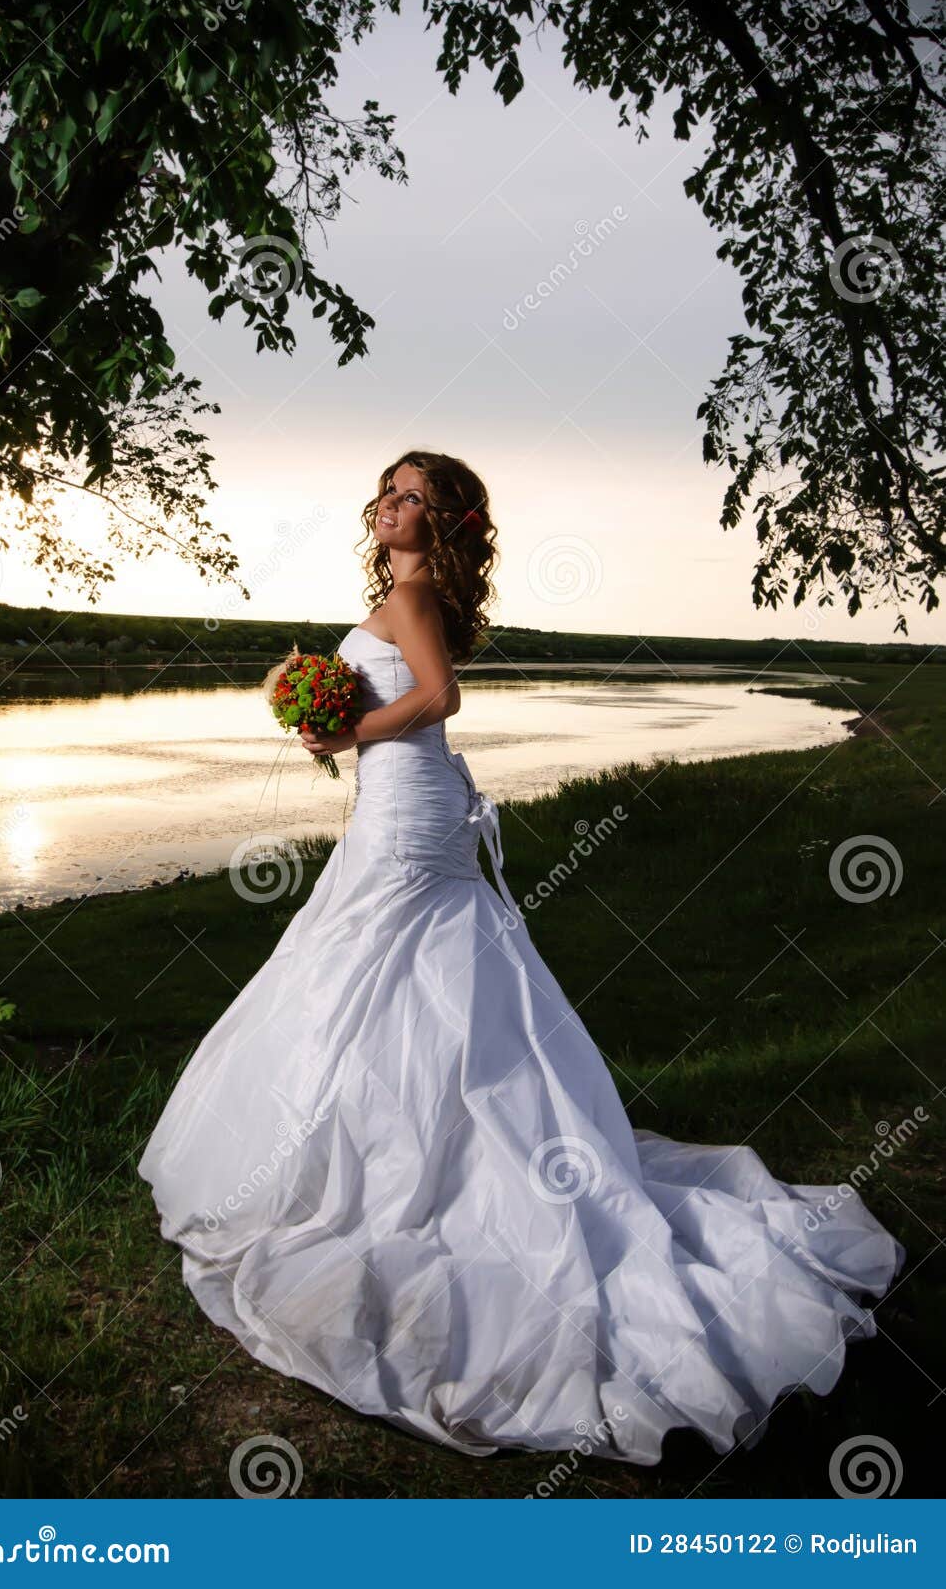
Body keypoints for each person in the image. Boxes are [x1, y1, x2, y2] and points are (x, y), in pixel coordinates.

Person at [138, 449, 904, 1463]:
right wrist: (330, 722)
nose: (394, 504)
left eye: (416, 497)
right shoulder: (400, 591)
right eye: (391, 489)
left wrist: (348, 724)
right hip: (405, 803)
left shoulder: (411, 596)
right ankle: (403, 1147)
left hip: (408, 814)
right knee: (389, 979)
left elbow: (439, 699)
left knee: (389, 971)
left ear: (444, 526)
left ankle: (426, 1172)